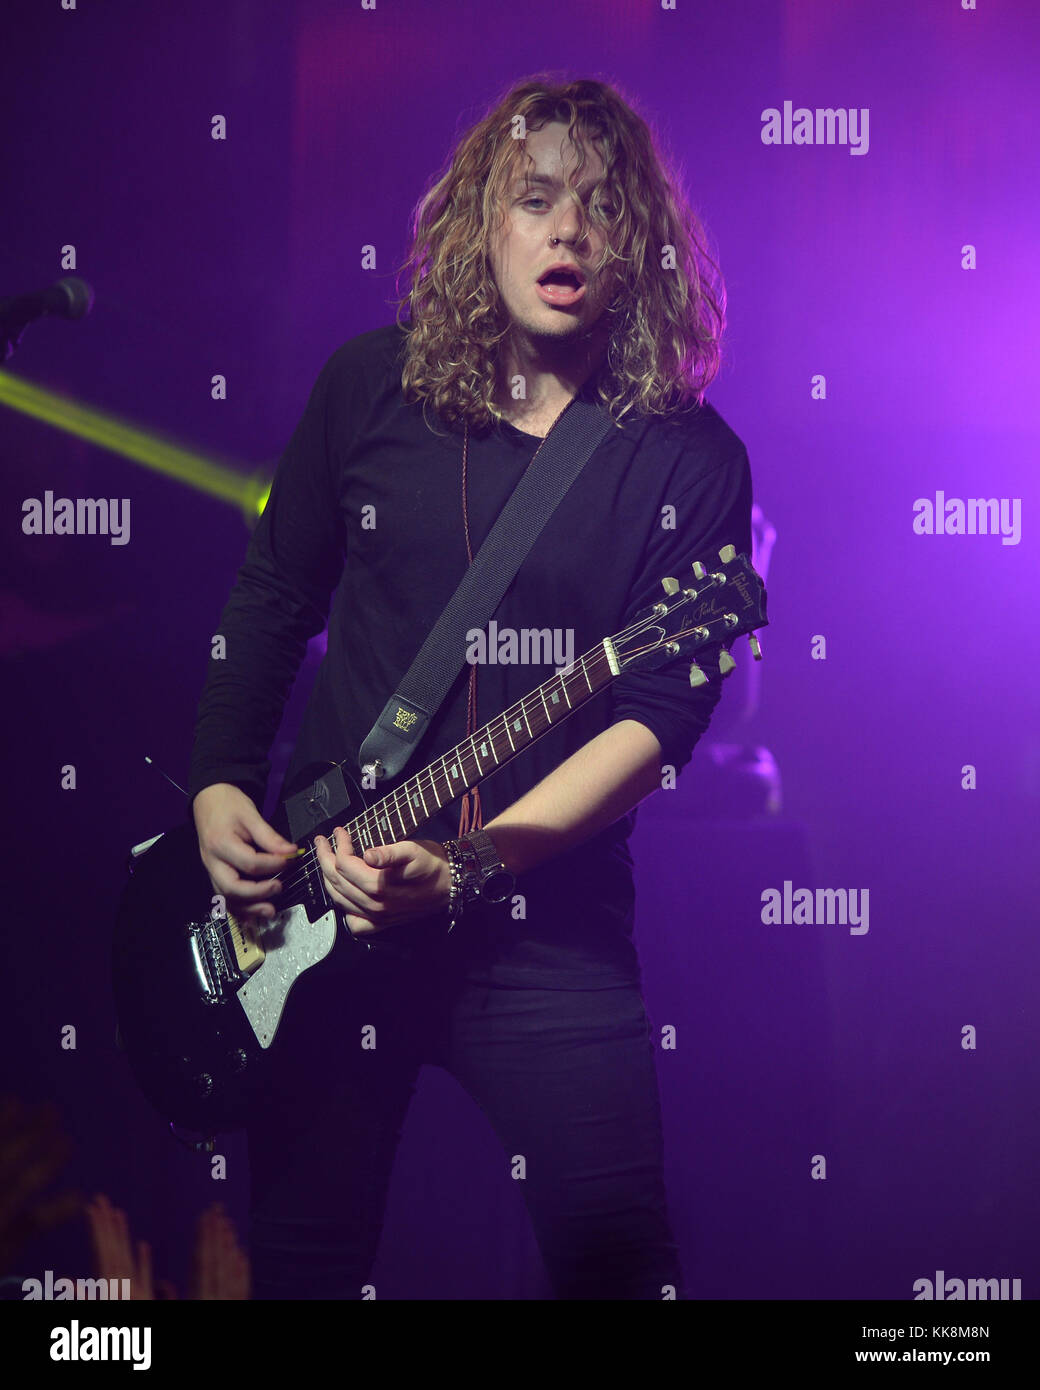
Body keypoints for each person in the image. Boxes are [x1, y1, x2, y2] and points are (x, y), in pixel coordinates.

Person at [187, 74, 753, 1300]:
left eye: (599, 208)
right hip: (316, 908)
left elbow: (657, 724)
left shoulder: (688, 457)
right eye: (534, 199)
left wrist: (478, 861)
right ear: (479, 226)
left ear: (639, 243)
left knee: (618, 1267)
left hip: (547, 937)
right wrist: (219, 784)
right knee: (302, 1268)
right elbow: (271, 602)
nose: (566, 231)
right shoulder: (367, 389)